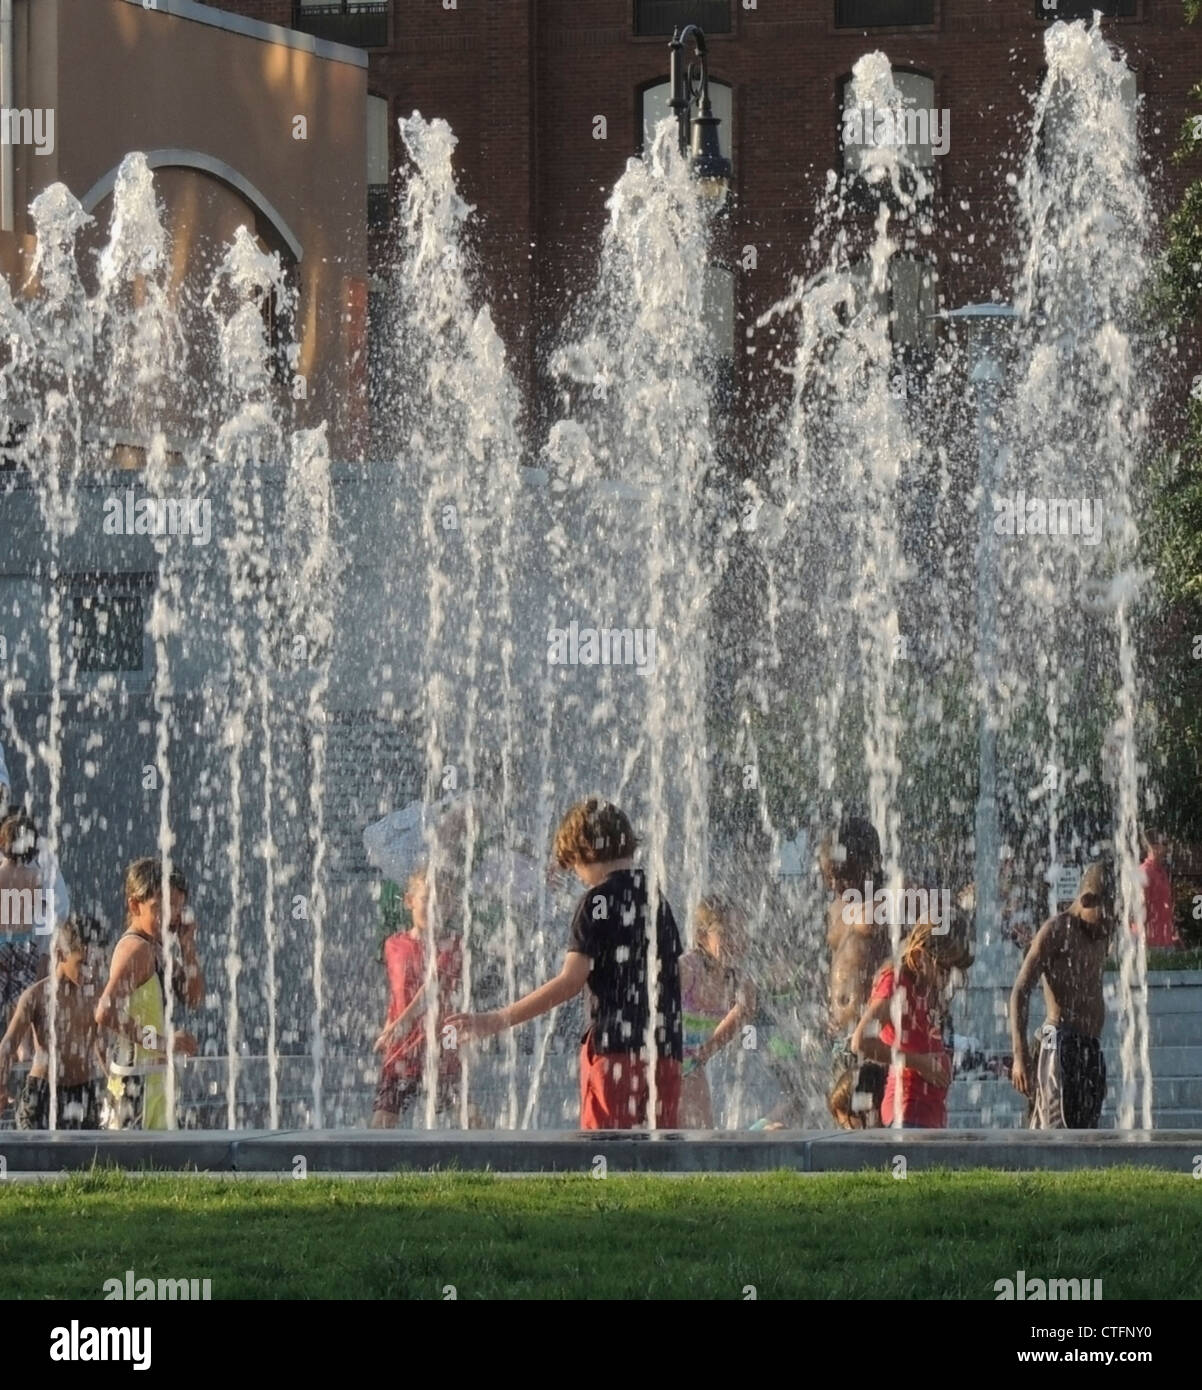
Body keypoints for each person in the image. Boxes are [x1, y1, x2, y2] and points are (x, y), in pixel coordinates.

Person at [446, 798, 684, 1130]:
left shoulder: (596, 900)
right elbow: (677, 973)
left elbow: (571, 981)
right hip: (666, 1048)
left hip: (614, 1049)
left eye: (574, 865)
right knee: (658, 1158)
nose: (579, 876)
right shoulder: (656, 897)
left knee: (606, 1153)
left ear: (585, 850)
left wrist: (497, 1019)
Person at [94, 859, 203, 1130]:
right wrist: (164, 1043)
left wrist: (187, 946)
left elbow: (193, 998)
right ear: (135, 905)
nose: (170, 916)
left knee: (159, 1168)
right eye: (159, 908)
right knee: (136, 1167)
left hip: (150, 1081)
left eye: (176, 906)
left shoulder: (155, 948)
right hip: (135, 1084)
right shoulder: (136, 950)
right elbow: (105, 1012)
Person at [1010, 862, 1112, 1129]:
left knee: (1087, 1130)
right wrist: (1020, 1056)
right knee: (1055, 1128)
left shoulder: (1101, 932)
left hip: (1090, 1045)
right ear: (1087, 900)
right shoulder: (1056, 930)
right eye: (1107, 916)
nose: (1111, 925)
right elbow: (1020, 991)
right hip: (1058, 1044)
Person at [850, 918, 973, 1129]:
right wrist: (921, 1063)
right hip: (907, 1111)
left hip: (925, 1112)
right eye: (944, 970)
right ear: (918, 956)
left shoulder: (920, 985)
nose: (949, 979)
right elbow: (861, 1042)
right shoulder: (895, 985)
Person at [370, 862, 464, 1128]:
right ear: (410, 901)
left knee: (466, 1113)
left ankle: (502, 1156)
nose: (434, 906)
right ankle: (375, 1169)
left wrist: (400, 1024)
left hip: (440, 1048)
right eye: (426, 898)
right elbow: (397, 996)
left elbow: (432, 989)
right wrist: (389, 1028)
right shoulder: (393, 945)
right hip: (400, 1051)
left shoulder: (453, 944)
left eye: (442, 899)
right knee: (382, 1120)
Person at [0, 915, 107, 1129]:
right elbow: (8, 1046)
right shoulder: (37, 996)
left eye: (96, 964)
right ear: (60, 954)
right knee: (34, 1161)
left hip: (84, 1093)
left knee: (88, 1161)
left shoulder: (96, 995)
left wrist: (112, 1083)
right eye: (83, 964)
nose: (91, 973)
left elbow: (103, 1044)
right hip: (41, 1093)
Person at [824, 817, 889, 1124]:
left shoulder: (885, 903)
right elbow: (837, 961)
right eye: (830, 877)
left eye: (843, 875)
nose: (836, 885)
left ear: (866, 864)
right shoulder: (835, 907)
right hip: (841, 1035)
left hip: (871, 1035)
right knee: (842, 1116)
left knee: (868, 1117)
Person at [678, 895, 755, 1129]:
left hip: (692, 1063)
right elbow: (657, 1011)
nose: (736, 940)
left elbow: (730, 1028)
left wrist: (704, 1052)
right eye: (727, 933)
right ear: (702, 937)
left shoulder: (737, 981)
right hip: (665, 1060)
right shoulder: (688, 968)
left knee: (703, 1130)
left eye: (741, 932)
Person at [0, 812, 70, 1026]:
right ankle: (24, 1049)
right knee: (22, 1002)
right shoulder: (35, 877)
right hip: (26, 945)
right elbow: (49, 909)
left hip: (1, 943)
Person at [1138, 831, 1180, 950]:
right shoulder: (1143, 872)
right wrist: (1143, 938)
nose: (1167, 848)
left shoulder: (1162, 872)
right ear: (1154, 847)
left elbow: (1165, 905)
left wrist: (1173, 931)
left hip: (1165, 939)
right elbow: (1139, 907)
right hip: (1149, 941)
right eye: (1164, 844)